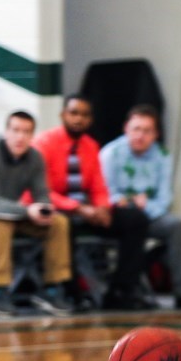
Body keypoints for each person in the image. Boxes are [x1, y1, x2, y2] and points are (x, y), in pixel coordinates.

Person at [33, 94, 153, 310]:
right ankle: (71, 293)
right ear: (63, 115)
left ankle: (121, 290)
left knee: (136, 219)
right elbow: (40, 191)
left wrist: (103, 209)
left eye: (85, 115)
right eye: (74, 113)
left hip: (86, 210)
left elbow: (99, 186)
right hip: (59, 210)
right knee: (62, 224)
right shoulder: (44, 143)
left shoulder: (91, 146)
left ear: (91, 120)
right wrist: (77, 208)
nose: (79, 119)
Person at [0, 111, 74, 317]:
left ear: (32, 135)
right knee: (0, 223)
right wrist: (28, 210)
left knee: (58, 222)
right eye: (16, 130)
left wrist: (43, 209)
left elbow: (42, 194)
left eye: (26, 132)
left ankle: (52, 287)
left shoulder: (35, 158)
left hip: (12, 214)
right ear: (5, 132)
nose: (20, 137)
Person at [99, 104, 181, 309]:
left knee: (177, 225)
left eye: (146, 131)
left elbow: (164, 197)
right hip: (118, 216)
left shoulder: (162, 155)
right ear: (126, 129)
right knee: (134, 221)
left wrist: (144, 208)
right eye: (136, 129)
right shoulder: (110, 154)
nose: (140, 135)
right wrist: (131, 204)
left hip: (151, 213)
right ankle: (127, 290)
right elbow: (106, 193)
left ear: (155, 134)